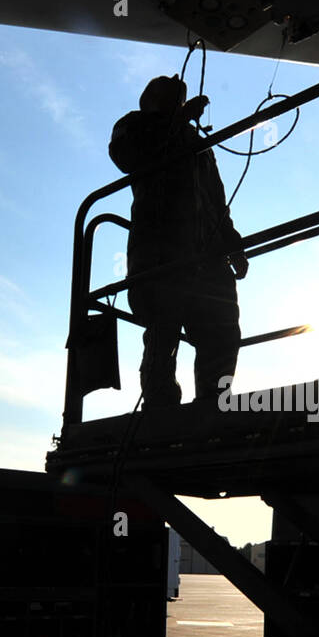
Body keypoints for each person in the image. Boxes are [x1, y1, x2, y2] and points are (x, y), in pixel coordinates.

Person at [109, 75, 249, 408]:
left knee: (223, 333)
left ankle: (214, 406)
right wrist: (179, 118)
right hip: (160, 258)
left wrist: (232, 241)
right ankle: (161, 410)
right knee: (163, 333)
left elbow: (216, 197)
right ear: (151, 98)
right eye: (170, 94)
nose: (177, 96)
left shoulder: (196, 143)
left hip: (209, 261)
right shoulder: (133, 126)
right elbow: (127, 155)